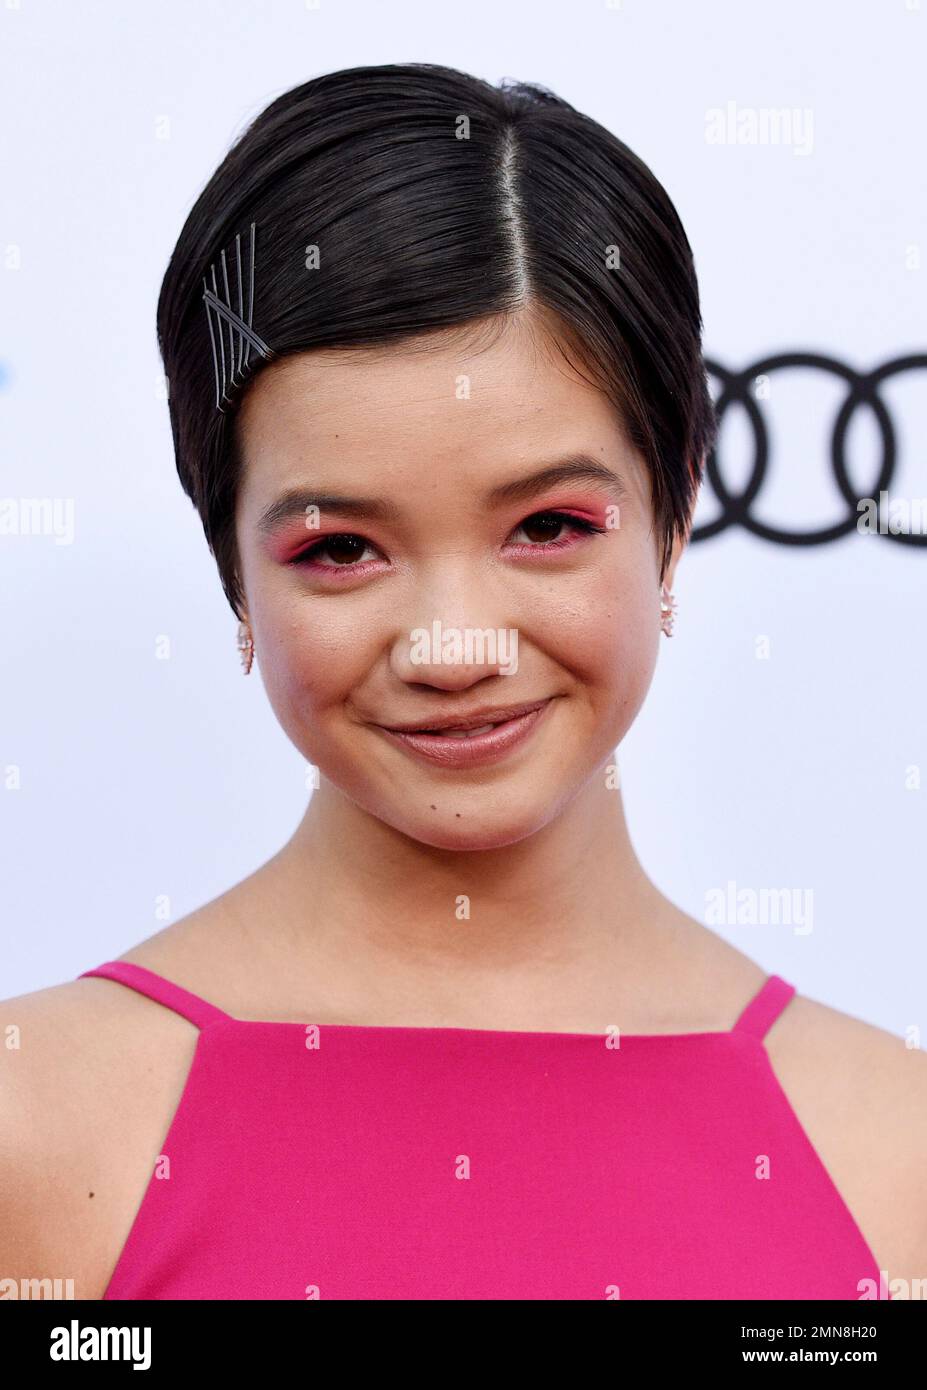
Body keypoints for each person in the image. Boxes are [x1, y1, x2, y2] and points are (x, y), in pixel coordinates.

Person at [2, 63, 924, 1301]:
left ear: (678, 511)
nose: (453, 647)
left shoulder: (893, 1163)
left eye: (546, 526)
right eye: (340, 549)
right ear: (232, 569)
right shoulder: (37, 1130)